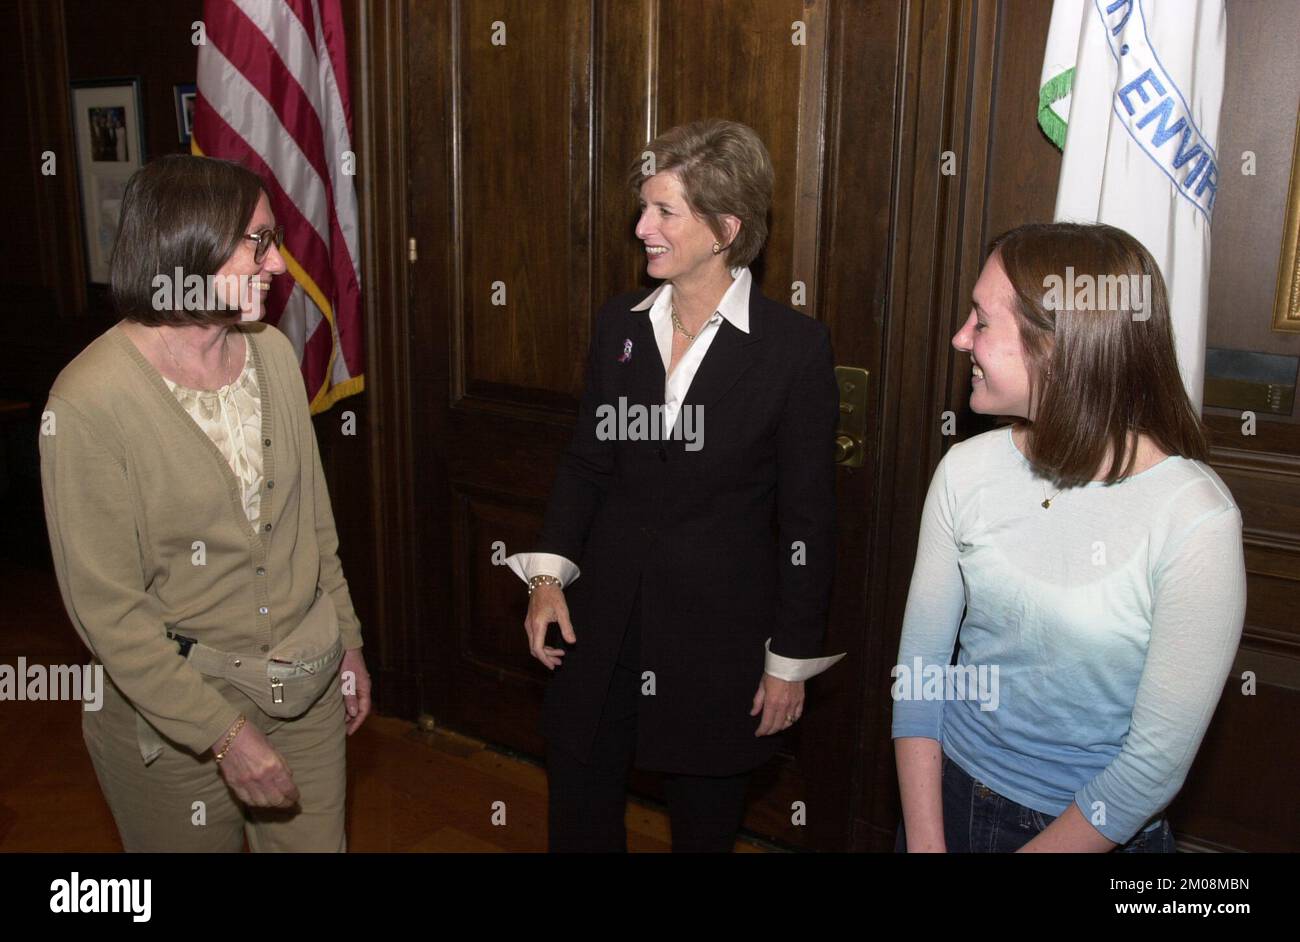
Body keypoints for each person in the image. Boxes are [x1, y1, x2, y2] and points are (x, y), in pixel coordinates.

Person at [509, 119, 844, 852]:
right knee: (579, 823)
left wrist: (790, 663)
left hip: (717, 644)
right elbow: (587, 463)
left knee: (703, 832)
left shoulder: (793, 350)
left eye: (665, 211)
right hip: (600, 627)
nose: (642, 228)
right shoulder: (619, 326)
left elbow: (807, 522)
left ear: (726, 228)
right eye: (644, 208)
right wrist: (547, 577)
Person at [39, 154, 371, 851]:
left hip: (306, 687)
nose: (277, 265)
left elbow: (314, 526)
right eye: (259, 242)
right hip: (174, 720)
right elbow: (109, 613)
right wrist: (223, 734)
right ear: (188, 245)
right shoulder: (88, 402)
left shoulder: (272, 354)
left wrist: (347, 643)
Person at [892, 222, 1246, 853]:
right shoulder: (966, 470)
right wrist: (924, 841)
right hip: (946, 802)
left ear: (1056, 347)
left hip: (1094, 834)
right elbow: (921, 675)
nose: (960, 338)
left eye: (982, 322)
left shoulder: (1195, 519)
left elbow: (1151, 768)